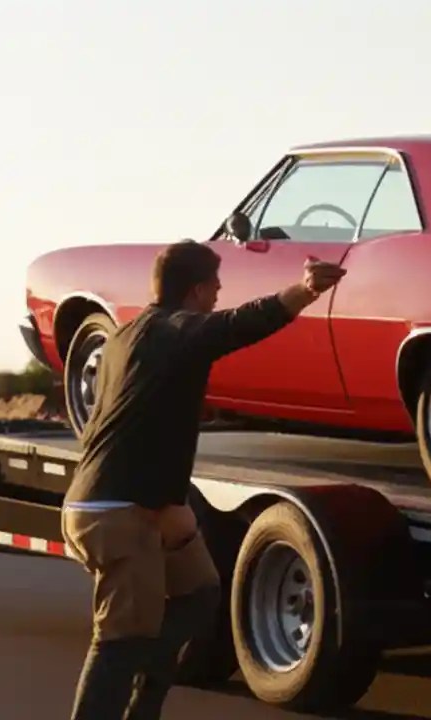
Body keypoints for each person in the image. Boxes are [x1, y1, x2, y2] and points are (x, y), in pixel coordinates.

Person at [59, 239, 345, 719]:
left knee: (199, 594)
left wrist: (168, 498)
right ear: (195, 291)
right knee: (119, 642)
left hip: (143, 504)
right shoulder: (176, 331)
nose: (218, 294)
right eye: (215, 286)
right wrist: (305, 291)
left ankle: (143, 705)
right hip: (115, 511)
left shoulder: (125, 337)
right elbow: (242, 324)